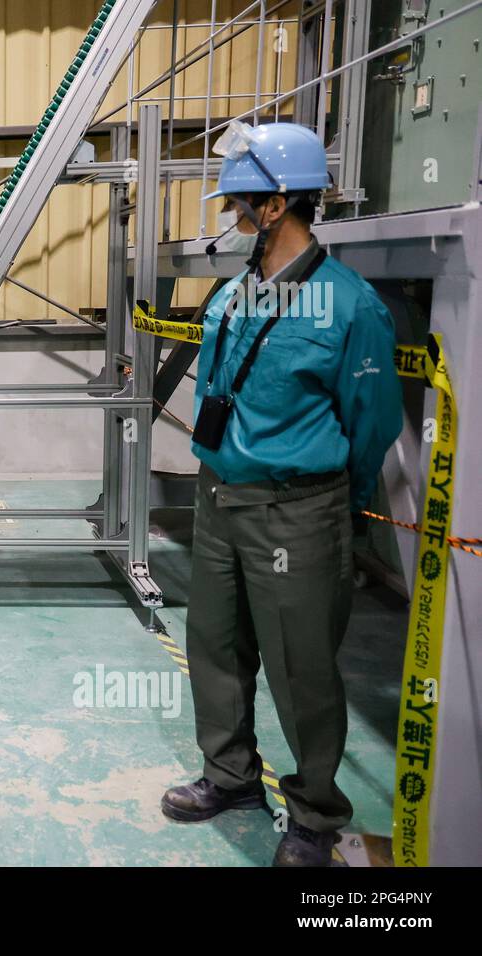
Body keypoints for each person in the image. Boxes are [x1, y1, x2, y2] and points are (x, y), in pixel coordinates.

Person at [159, 122, 403, 866]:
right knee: (216, 647)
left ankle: (315, 815)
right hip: (219, 497)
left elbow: (373, 423)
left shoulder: (349, 305)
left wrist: (329, 506)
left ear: (280, 204)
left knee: (301, 666)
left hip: (298, 507)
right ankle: (230, 777)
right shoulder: (233, 295)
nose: (233, 219)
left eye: (241, 204)